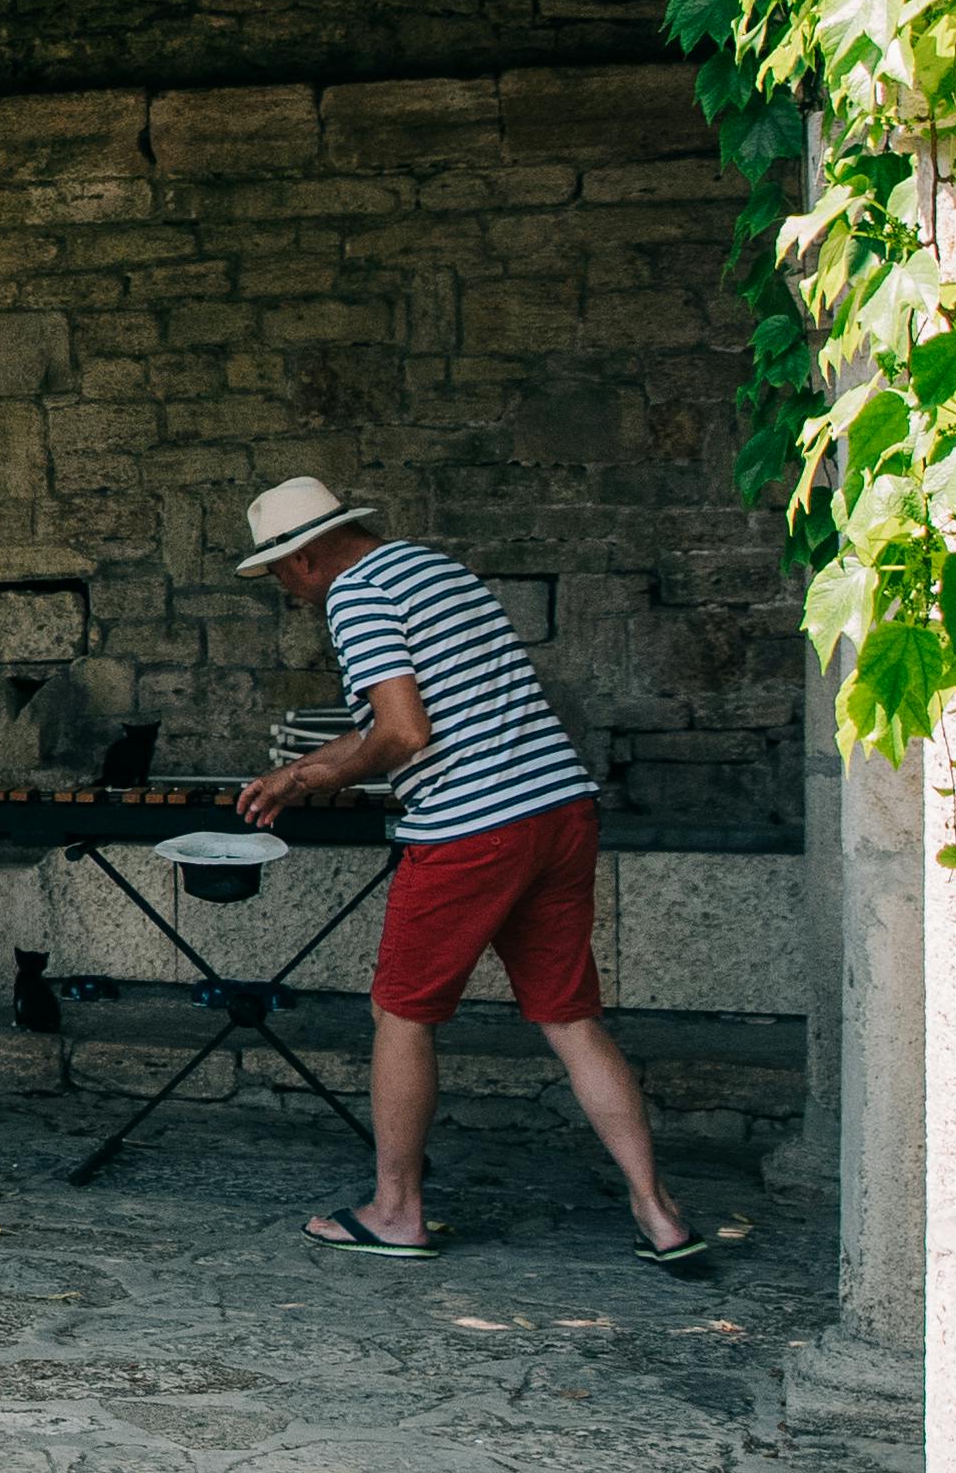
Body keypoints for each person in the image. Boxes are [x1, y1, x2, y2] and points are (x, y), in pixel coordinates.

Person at [227, 474, 707, 1265]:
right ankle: (658, 1212)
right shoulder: (432, 567)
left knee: (402, 1012)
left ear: (307, 557)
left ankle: (395, 1209)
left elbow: (403, 732)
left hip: (470, 828)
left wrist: (310, 780)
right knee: (568, 1014)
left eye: (278, 567)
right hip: (557, 809)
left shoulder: (354, 595)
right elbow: (430, 716)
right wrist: (299, 769)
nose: (283, 587)